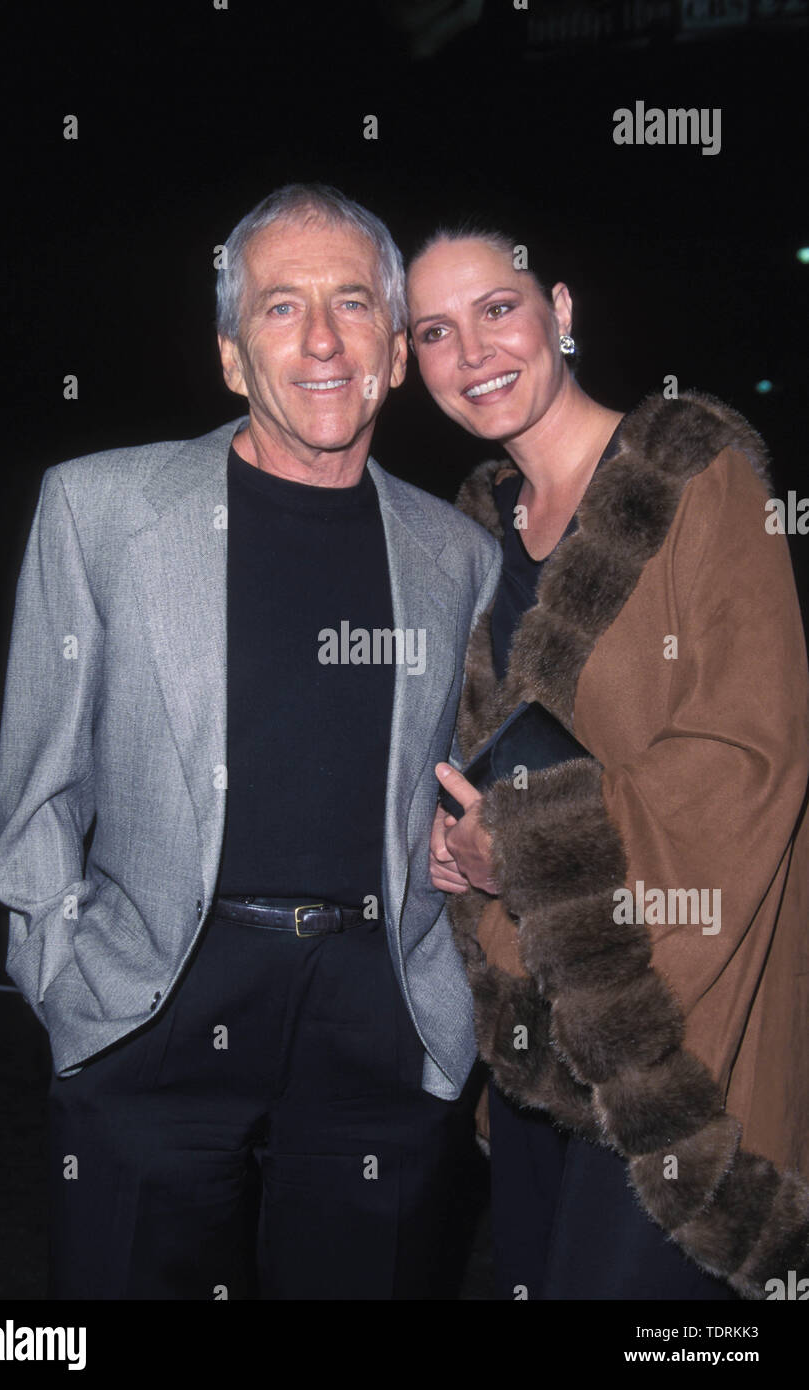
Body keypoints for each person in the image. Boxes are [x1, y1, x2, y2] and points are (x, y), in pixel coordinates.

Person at [0, 185, 502, 1300]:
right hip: (154, 1002)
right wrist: (63, 975)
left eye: (353, 303)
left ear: (396, 351)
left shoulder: (459, 553)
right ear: (232, 356)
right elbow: (40, 787)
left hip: (380, 1017)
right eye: (279, 307)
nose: (321, 339)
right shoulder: (99, 510)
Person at [407, 226, 809, 1301]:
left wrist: (523, 843)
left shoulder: (694, 477)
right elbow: (463, 762)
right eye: (435, 331)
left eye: (498, 308)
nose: (473, 350)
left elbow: (750, 756)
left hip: (677, 1040)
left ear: (561, 311)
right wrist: (449, 849)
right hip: (532, 1046)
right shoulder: (468, 532)